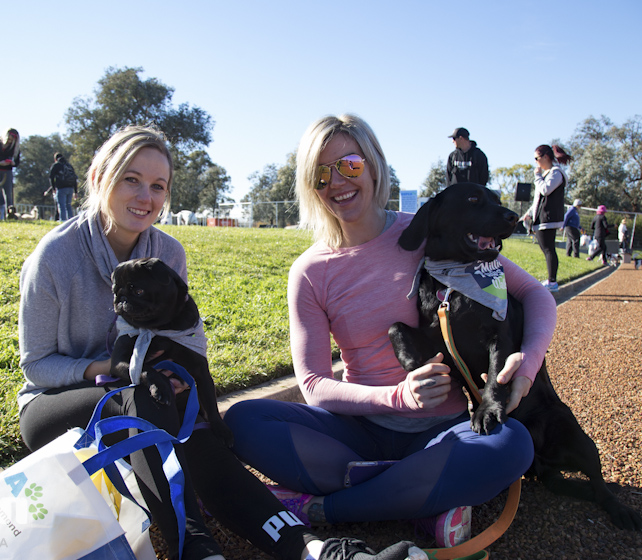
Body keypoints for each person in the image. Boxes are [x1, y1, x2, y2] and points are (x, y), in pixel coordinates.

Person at [18, 124, 417, 560]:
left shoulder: (167, 255)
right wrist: (107, 372)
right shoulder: (55, 256)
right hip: (55, 405)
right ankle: (195, 548)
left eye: (158, 186)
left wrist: (175, 381)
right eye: (130, 180)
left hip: (145, 398)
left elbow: (171, 339)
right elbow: (37, 365)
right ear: (99, 178)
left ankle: (313, 550)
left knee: (196, 432)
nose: (145, 197)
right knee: (137, 398)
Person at [223, 114, 557, 549]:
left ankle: (324, 509)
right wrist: (396, 397)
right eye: (321, 173)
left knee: (512, 446)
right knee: (244, 420)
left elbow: (535, 293)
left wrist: (526, 365)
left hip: (447, 428)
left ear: (374, 164)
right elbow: (312, 385)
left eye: (350, 165)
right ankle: (417, 498)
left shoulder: (426, 231)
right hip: (359, 432)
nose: (336, 182)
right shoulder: (308, 272)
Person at [524, 144, 573, 293]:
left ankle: (552, 281)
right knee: (547, 249)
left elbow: (545, 190)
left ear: (546, 157)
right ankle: (551, 280)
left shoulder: (556, 173)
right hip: (542, 217)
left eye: (537, 158)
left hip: (549, 218)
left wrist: (537, 176)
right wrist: (530, 213)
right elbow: (538, 199)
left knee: (548, 249)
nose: (536, 162)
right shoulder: (548, 174)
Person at [0, 128, 21, 219]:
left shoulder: (15, 147)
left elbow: (17, 162)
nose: (10, 141)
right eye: (9, 138)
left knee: (8, 193)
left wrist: (12, 163)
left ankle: (10, 214)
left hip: (7, 171)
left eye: (12, 140)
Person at [47, 152, 77, 221]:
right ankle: (71, 221)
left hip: (61, 188)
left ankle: (63, 220)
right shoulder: (69, 166)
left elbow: (51, 177)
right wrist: (75, 191)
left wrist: (53, 188)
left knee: (62, 206)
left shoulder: (56, 165)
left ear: (55, 159)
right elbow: (74, 178)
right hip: (70, 188)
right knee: (68, 206)